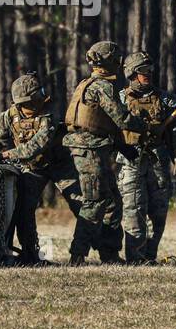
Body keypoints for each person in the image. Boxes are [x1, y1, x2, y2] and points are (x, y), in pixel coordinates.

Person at [62, 41, 148, 265]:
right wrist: (145, 126)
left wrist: (123, 147)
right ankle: (77, 255)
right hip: (89, 150)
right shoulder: (102, 86)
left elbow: (105, 124)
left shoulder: (87, 83)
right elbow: (120, 118)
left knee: (112, 203)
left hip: (94, 148)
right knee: (95, 201)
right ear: (110, 62)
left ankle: (109, 254)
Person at [0, 71, 73, 265]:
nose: (39, 102)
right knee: (23, 211)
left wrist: (5, 155)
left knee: (85, 206)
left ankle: (88, 254)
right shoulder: (8, 117)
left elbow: (38, 144)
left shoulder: (49, 115)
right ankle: (31, 254)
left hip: (61, 166)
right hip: (33, 169)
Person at [116, 51, 176, 263]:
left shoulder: (166, 100)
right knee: (134, 210)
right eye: (142, 71)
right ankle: (136, 258)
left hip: (157, 162)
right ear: (131, 73)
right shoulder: (119, 100)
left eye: (150, 70)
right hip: (130, 163)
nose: (148, 74)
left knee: (158, 213)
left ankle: (149, 256)